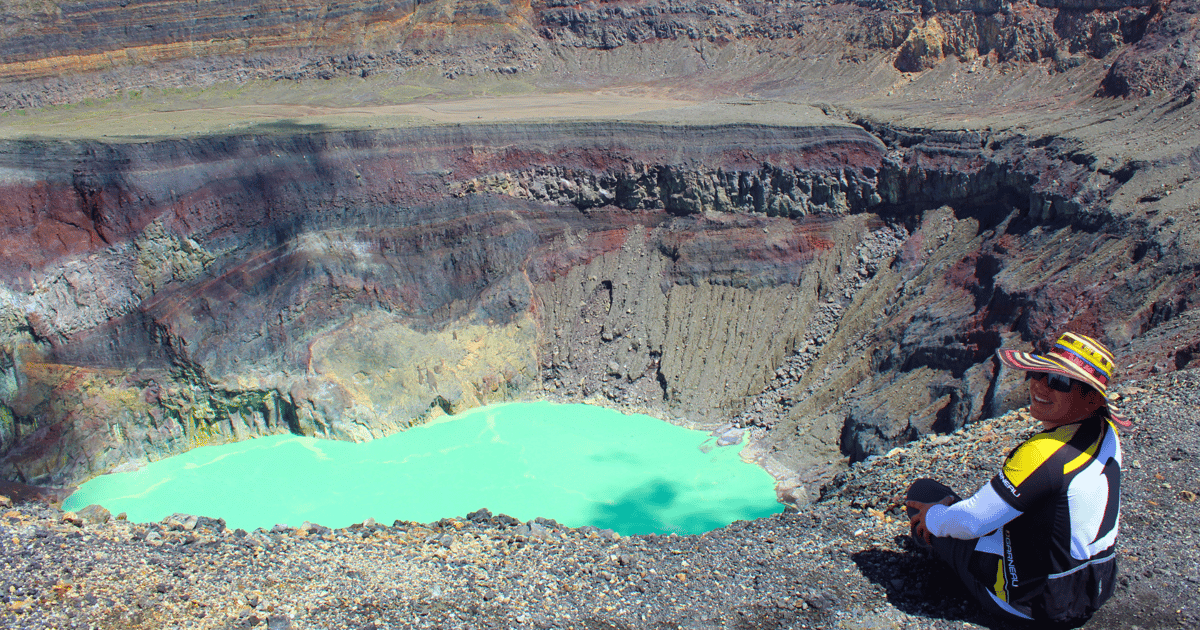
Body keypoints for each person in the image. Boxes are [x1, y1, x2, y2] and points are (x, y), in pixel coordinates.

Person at [906, 332, 1127, 625]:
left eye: (1059, 382)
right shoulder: (1106, 432)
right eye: (1039, 373)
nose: (1040, 387)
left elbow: (973, 521)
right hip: (1092, 588)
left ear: (1092, 399)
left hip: (1036, 605)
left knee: (925, 493)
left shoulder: (1044, 454)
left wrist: (934, 516)